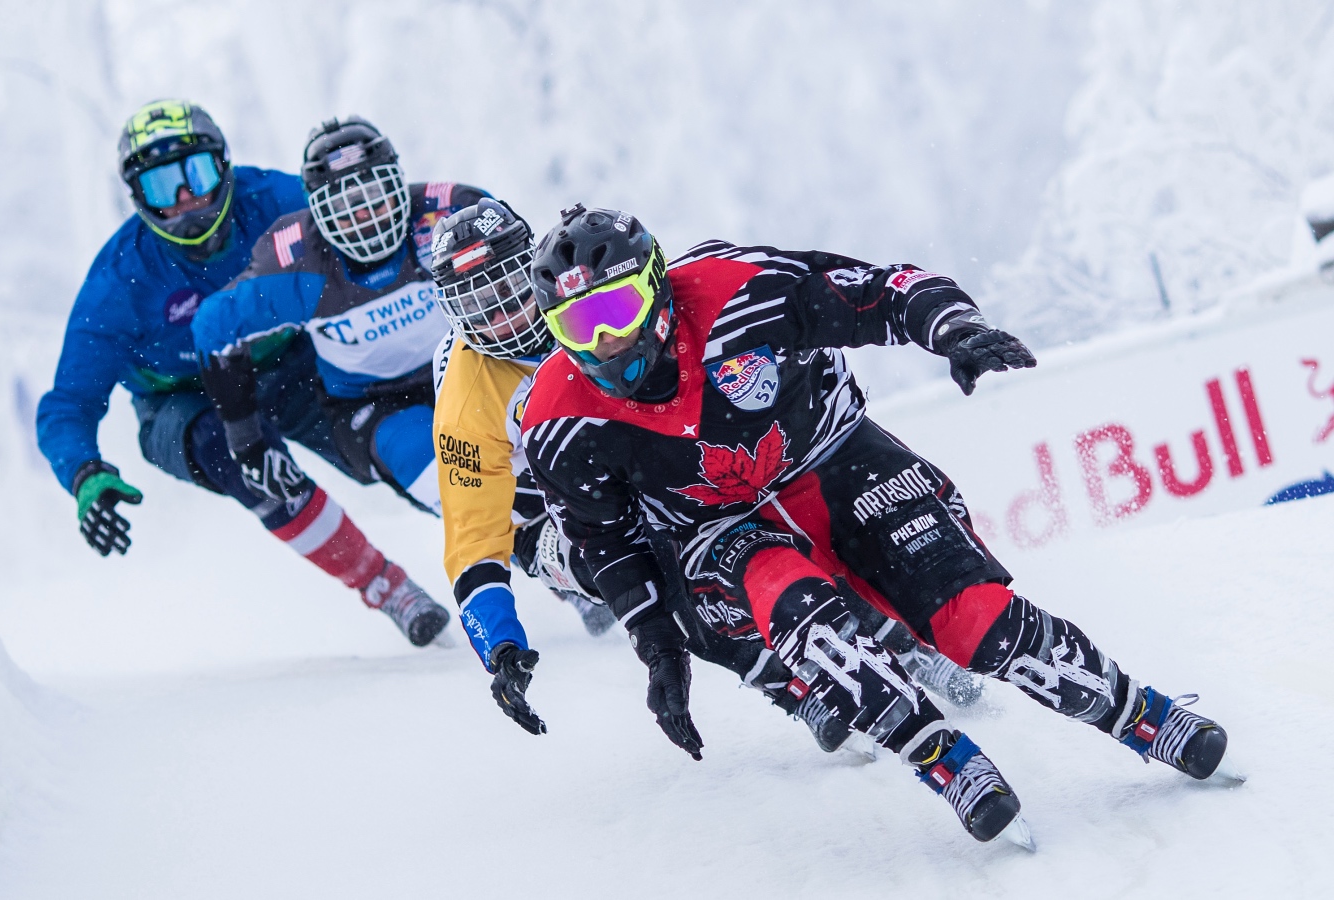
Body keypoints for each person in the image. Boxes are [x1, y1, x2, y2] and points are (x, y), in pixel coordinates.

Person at [521, 204, 1238, 845]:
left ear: (657, 285)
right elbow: (604, 542)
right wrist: (660, 651)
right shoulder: (557, 419)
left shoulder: (740, 287)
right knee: (813, 625)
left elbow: (879, 292)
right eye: (578, 327)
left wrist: (955, 330)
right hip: (720, 534)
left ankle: (1141, 712)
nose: (606, 342)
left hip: (838, 462)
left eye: (616, 309)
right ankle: (942, 760)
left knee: (977, 625)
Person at [427, 200, 975, 745]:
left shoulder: (594, 293)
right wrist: (499, 647)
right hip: (552, 519)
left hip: (650, 464)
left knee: (752, 516)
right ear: (457, 319)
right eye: (480, 310)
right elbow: (473, 537)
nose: (503, 318)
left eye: (509, 292)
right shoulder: (466, 398)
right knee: (662, 577)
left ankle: (895, 633)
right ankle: (788, 687)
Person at [36, 100, 446, 647]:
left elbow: (376, 229)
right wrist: (84, 473)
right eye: (164, 186)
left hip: (287, 364)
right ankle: (384, 586)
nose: (187, 199)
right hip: (181, 401)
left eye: (197, 174)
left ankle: (531, 546)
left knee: (385, 451)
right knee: (242, 460)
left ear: (225, 166)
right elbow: (68, 401)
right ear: (138, 200)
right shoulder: (118, 282)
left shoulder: (278, 203)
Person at [191, 116, 481, 518]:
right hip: (375, 403)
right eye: (344, 206)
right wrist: (248, 443)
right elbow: (212, 327)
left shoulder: (449, 214)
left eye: (376, 196)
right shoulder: (295, 265)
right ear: (317, 212)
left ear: (400, 185)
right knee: (441, 470)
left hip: (476, 367)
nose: (365, 217)